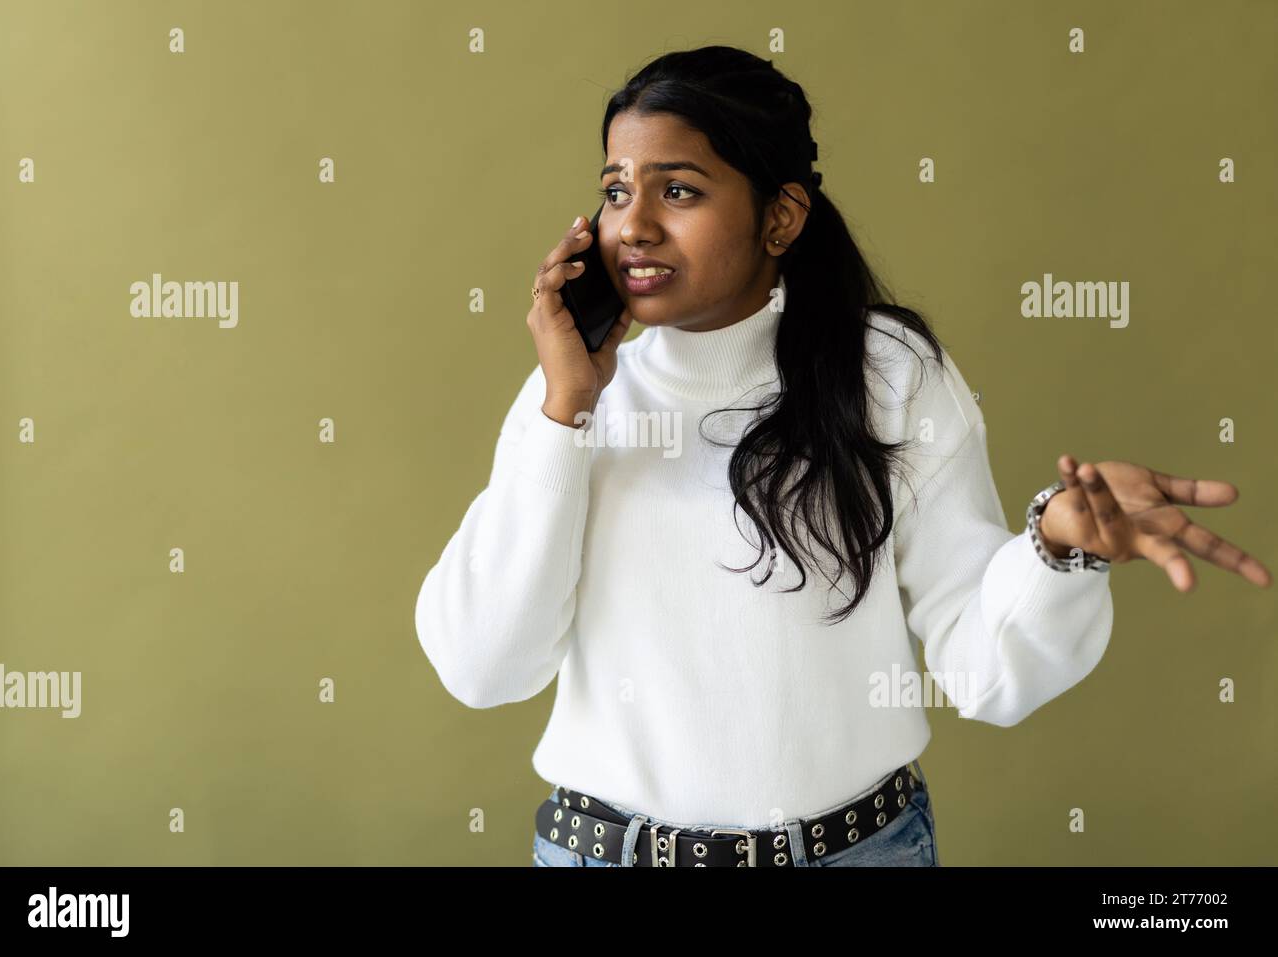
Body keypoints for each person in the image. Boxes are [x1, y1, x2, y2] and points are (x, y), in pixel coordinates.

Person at [415, 46, 1271, 867]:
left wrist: (1057, 547)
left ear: (780, 216)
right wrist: (564, 410)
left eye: (677, 189)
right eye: (614, 189)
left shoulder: (887, 376)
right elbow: (484, 666)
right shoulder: (570, 402)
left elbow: (984, 668)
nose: (632, 224)